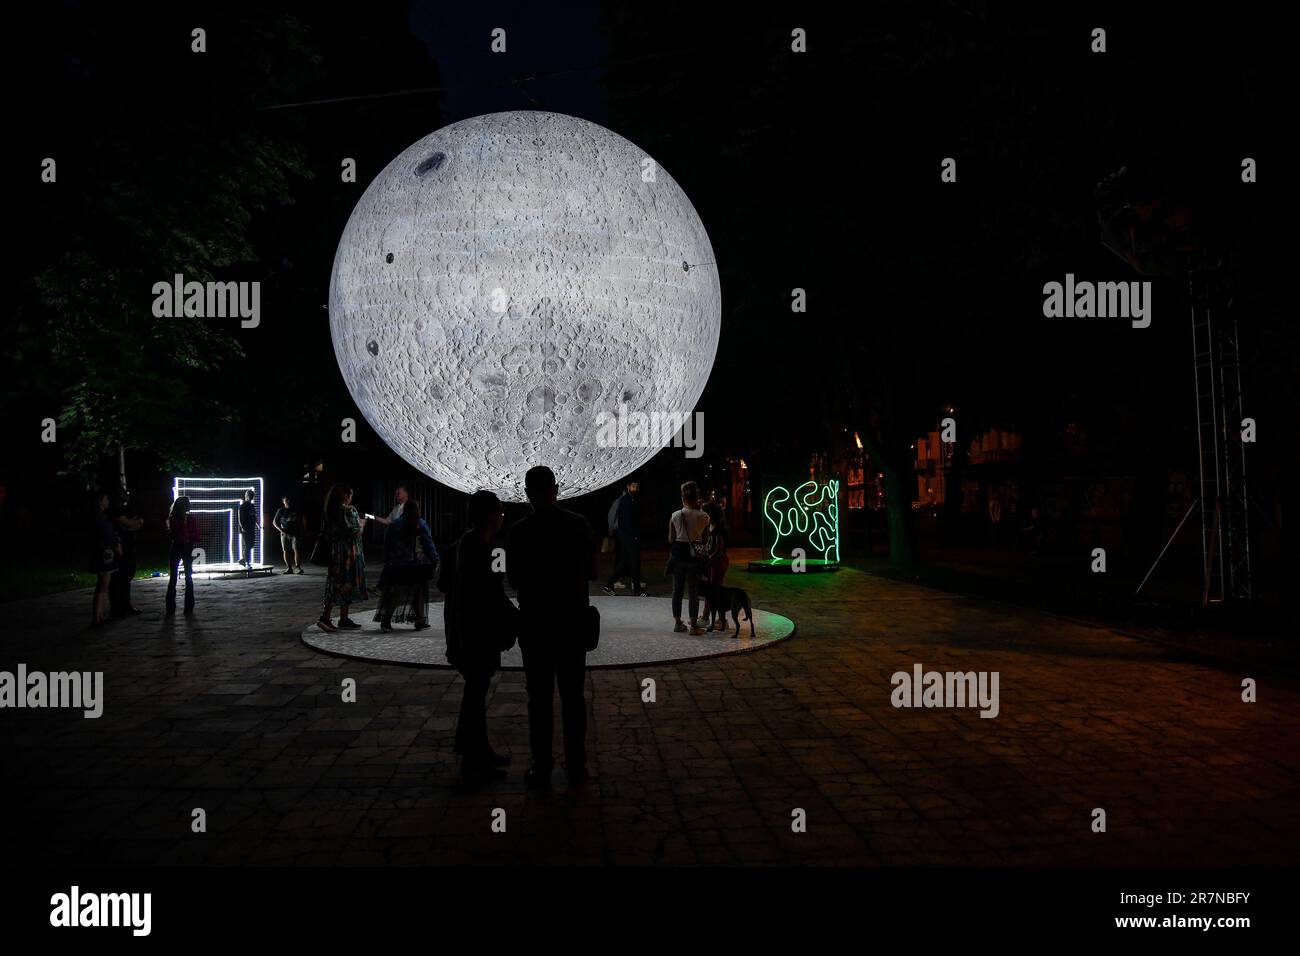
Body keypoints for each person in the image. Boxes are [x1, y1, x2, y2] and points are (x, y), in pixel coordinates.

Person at [507, 466, 596, 789]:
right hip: (571, 624)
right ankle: (577, 765)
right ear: (556, 489)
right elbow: (591, 572)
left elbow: (515, 579)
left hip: (537, 626)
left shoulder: (519, 532)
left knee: (539, 699)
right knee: (573, 697)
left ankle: (542, 765)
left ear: (528, 494)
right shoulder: (579, 526)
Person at [443, 490, 516, 783]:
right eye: (499, 511)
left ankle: (478, 751)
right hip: (475, 633)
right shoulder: (475, 547)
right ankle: (473, 761)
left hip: (475, 631)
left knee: (476, 692)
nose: (502, 516)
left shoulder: (478, 544)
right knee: (475, 693)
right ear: (488, 515)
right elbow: (483, 593)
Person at [376, 498, 438, 631]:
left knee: (396, 593)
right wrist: (435, 559)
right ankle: (420, 620)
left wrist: (387, 560)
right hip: (417, 565)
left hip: (398, 565)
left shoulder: (395, 524)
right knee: (418, 593)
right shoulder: (420, 524)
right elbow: (428, 544)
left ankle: (386, 621)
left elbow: (388, 544)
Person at [318, 483, 368, 631]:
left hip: (336, 552)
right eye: (350, 495)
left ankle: (340, 618)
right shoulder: (347, 510)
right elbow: (355, 531)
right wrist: (363, 524)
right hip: (348, 553)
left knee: (337, 583)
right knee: (345, 583)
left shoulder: (330, 511)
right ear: (346, 496)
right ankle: (328, 618)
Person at [666, 480, 711, 635]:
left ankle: (678, 623)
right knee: (693, 591)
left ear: (683, 498)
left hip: (678, 554)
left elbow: (671, 539)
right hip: (694, 557)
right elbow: (705, 540)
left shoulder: (675, 515)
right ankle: (693, 625)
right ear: (696, 498)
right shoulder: (704, 516)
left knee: (677, 590)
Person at [602, 480, 646, 597]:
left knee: (625, 562)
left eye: (637, 486)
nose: (635, 488)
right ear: (628, 487)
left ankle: (609, 585)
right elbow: (626, 520)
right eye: (633, 486)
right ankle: (637, 590)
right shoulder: (626, 500)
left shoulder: (632, 499)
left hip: (627, 535)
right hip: (629, 536)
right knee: (634, 561)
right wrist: (634, 535)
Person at [108, 488, 144, 617]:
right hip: (119, 548)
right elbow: (129, 522)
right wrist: (131, 523)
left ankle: (126, 605)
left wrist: (133, 523)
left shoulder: (127, 508)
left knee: (127, 576)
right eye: (124, 494)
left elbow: (137, 522)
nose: (127, 496)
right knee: (118, 578)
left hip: (128, 547)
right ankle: (117, 609)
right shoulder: (114, 510)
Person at [165, 495, 200, 616]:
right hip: (179, 548)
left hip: (184, 548)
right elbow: (178, 535)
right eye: (188, 503)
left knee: (187, 577)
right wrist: (187, 534)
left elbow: (196, 535)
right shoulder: (173, 519)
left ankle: (187, 607)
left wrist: (189, 536)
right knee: (174, 578)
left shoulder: (190, 518)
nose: (190, 505)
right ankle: (172, 607)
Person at [89, 491, 119, 626]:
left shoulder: (99, 517)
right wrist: (114, 545)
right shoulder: (100, 518)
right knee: (103, 586)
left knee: (102, 586)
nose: (108, 501)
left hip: (104, 552)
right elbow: (105, 536)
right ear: (100, 501)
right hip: (105, 554)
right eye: (106, 498)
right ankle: (97, 617)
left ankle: (99, 615)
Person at [702, 502, 730, 631]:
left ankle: (720, 620)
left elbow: (719, 551)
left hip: (717, 564)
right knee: (712, 591)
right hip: (714, 563)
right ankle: (709, 617)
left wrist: (708, 560)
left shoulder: (717, 530)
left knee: (714, 591)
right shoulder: (712, 527)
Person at [272, 494, 305, 574]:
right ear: (283, 501)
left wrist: (303, 530)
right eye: (286, 500)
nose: (288, 501)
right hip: (285, 533)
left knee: (296, 549)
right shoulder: (281, 510)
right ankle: (289, 568)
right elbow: (274, 522)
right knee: (286, 550)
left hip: (296, 533)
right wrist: (281, 530)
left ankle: (298, 567)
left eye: (289, 499)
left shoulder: (296, 509)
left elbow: (303, 519)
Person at [238, 489, 258, 569]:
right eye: (249, 495)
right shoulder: (243, 506)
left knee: (251, 544)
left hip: (251, 528)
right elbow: (240, 517)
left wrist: (258, 525)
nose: (250, 497)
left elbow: (255, 516)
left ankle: (243, 560)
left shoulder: (252, 506)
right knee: (247, 545)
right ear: (246, 496)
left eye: (252, 495)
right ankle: (247, 562)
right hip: (245, 529)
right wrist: (242, 527)